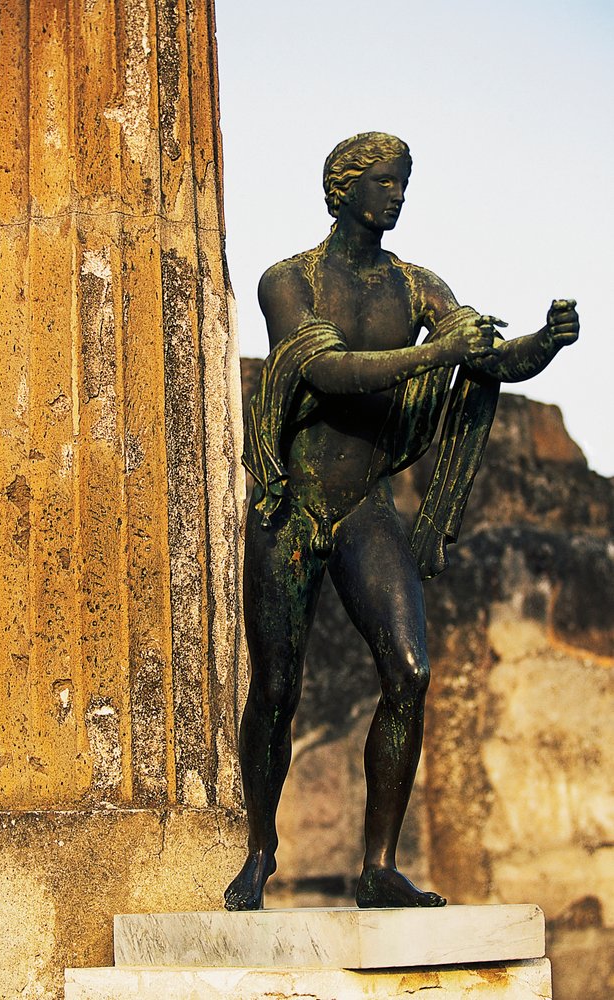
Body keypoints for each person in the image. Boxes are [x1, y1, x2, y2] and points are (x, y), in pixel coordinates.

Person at [224, 132, 579, 911]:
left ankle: (377, 866)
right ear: (344, 187)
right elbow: (325, 371)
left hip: (365, 506)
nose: (398, 195)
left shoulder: (419, 286)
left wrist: (540, 347)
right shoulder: (290, 281)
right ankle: (260, 848)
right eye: (385, 182)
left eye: (403, 182)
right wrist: (433, 356)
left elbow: (484, 361)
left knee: (410, 670)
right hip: (292, 505)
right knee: (278, 688)